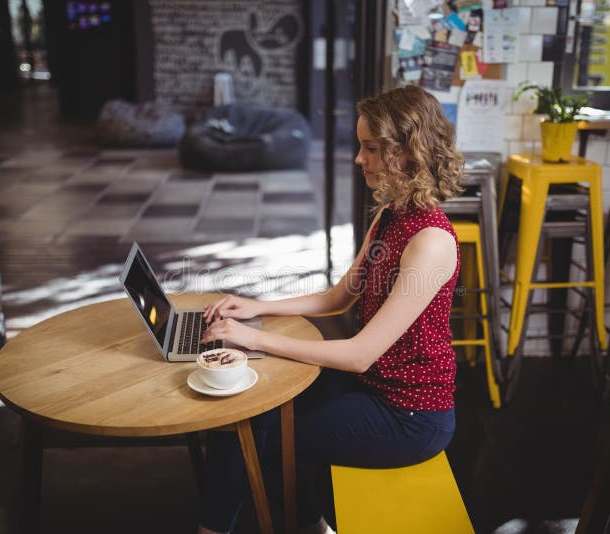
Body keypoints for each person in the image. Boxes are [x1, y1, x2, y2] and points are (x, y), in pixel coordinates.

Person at [197, 84, 465, 534]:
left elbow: (360, 354)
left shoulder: (430, 242)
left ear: (406, 152)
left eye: (371, 148)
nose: (359, 159)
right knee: (254, 404)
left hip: (410, 415)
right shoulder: (391, 215)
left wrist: (254, 337)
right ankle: (313, 525)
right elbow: (338, 296)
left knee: (252, 432)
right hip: (374, 386)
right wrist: (254, 307)